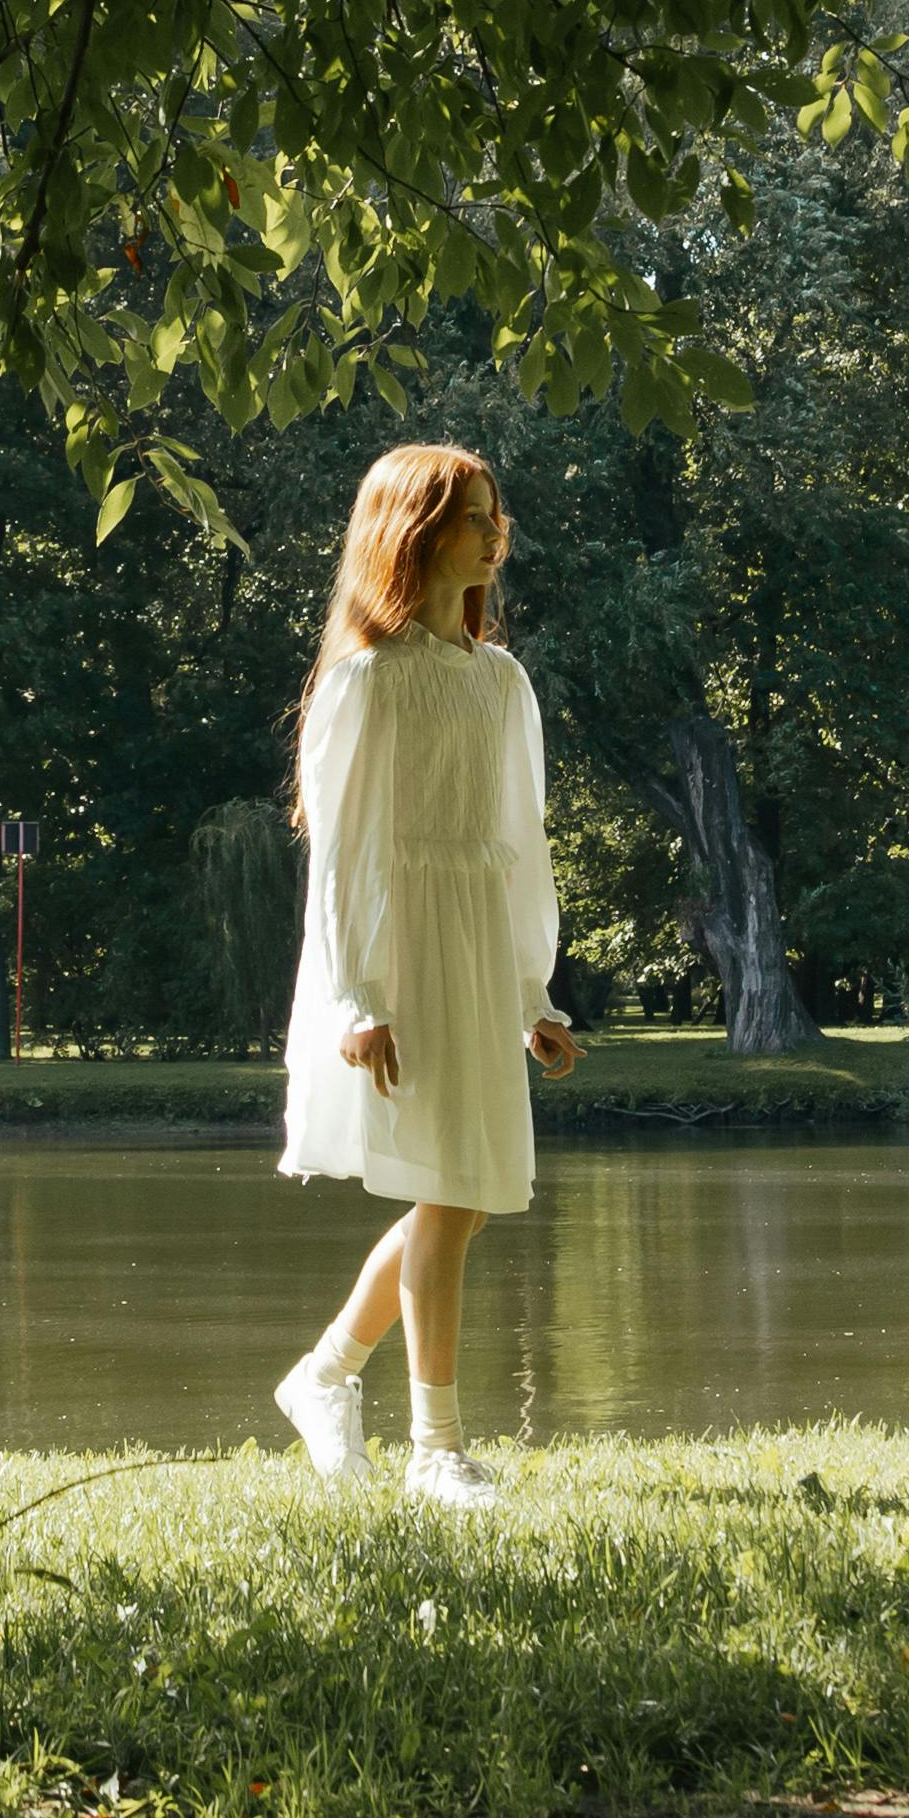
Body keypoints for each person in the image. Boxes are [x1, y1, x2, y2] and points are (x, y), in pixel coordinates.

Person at [270, 442, 580, 1507]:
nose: (495, 534)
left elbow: (521, 841)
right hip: (399, 955)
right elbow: (344, 855)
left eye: (497, 514)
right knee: (449, 1195)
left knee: (469, 1195)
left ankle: (324, 1374)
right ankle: (435, 1449)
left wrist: (534, 992)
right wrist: (358, 998)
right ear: (416, 531)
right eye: (473, 517)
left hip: (478, 947)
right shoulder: (366, 680)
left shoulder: (501, 680)